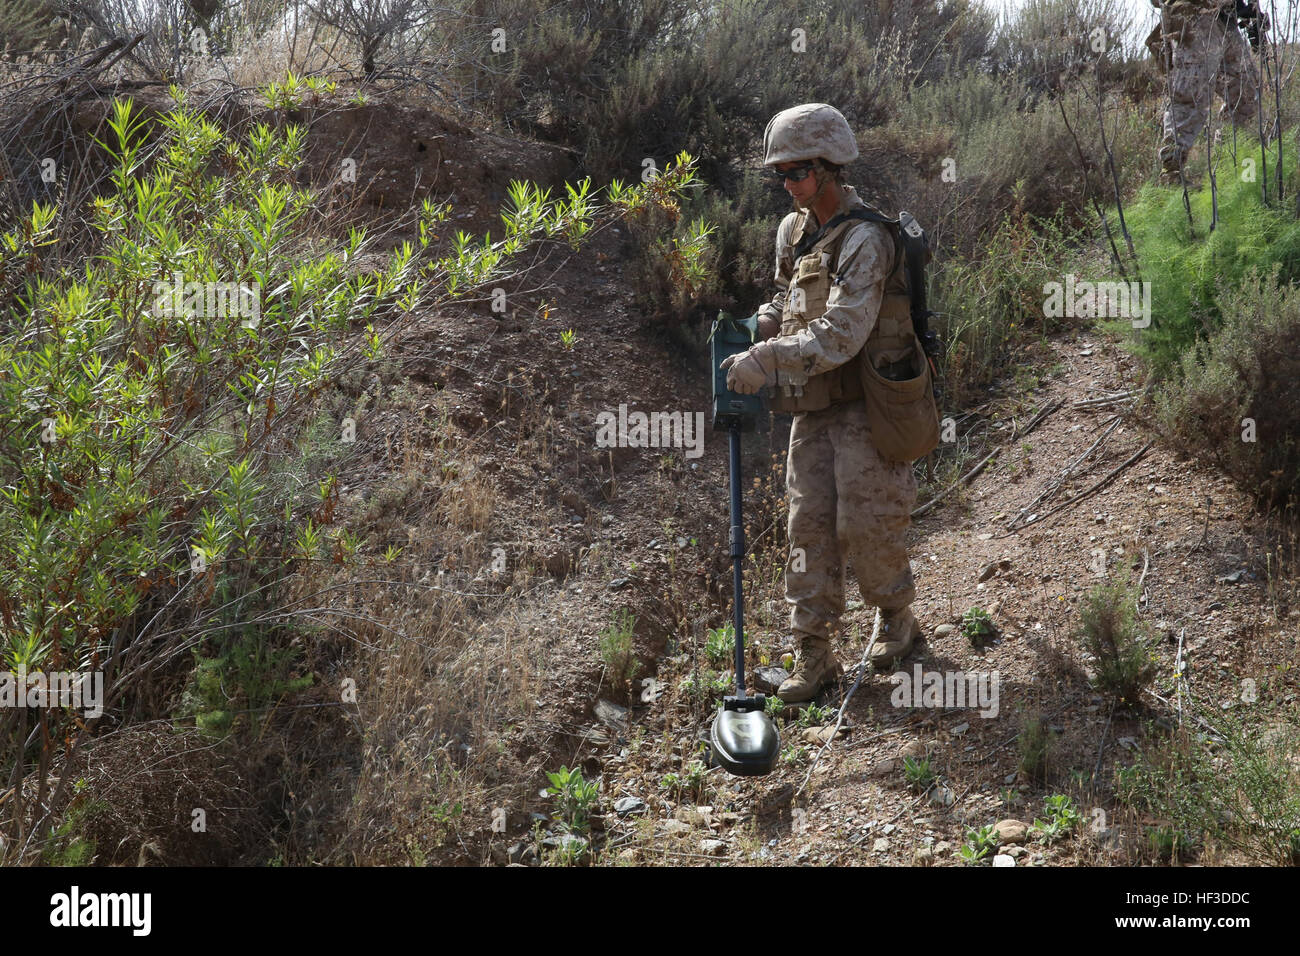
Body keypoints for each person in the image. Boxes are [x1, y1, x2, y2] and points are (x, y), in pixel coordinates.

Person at [720, 103, 922, 704]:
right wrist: (766, 319)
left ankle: (896, 619)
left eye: (797, 173)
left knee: (866, 526)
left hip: (866, 405)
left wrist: (767, 359)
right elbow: (788, 293)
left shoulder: (866, 239)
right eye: (779, 175)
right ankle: (814, 653)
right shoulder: (793, 230)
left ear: (830, 169)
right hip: (812, 407)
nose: (787, 185)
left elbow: (842, 333)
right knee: (805, 529)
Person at [1151, 0, 1263, 184]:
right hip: (1195, 16)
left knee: (1248, 94)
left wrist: (1251, 11)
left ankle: (1229, 163)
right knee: (1191, 96)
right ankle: (1171, 174)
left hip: (1226, 20)